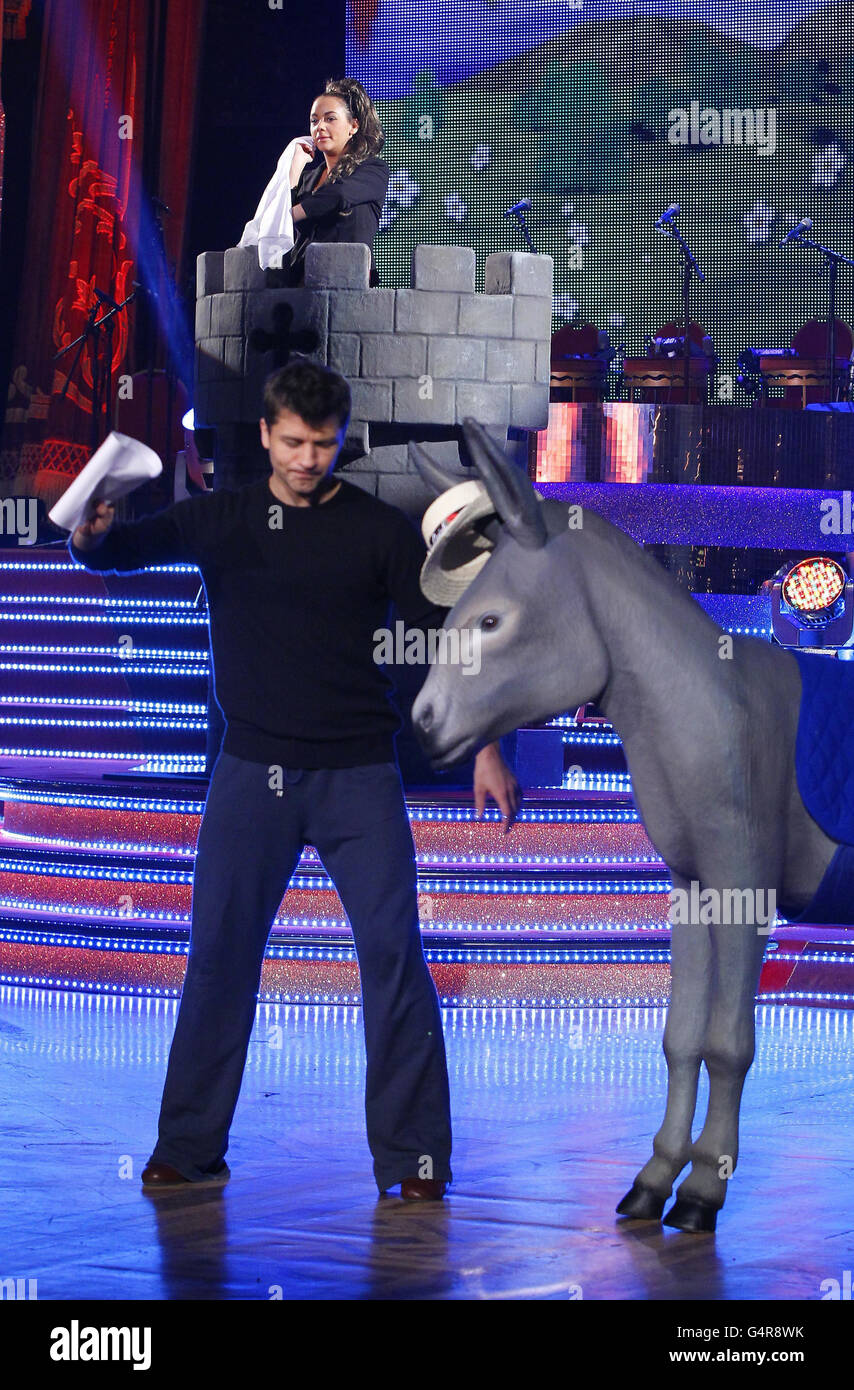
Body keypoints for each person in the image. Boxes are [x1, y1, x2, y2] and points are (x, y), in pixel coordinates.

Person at [68, 358, 521, 1200]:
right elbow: (122, 554)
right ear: (268, 434)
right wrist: (90, 537)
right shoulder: (226, 518)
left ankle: (413, 1159)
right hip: (250, 775)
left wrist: (489, 743)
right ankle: (188, 1145)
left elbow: (441, 644)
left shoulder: (379, 531)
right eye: (291, 442)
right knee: (220, 959)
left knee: (393, 957)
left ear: (339, 440)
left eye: (321, 444)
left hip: (358, 777)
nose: (306, 459)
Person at [282, 77, 390, 287]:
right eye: (314, 121)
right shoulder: (309, 178)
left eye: (330, 119)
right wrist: (294, 172)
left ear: (354, 126)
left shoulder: (372, 171)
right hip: (300, 288)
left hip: (348, 286)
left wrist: (292, 214)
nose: (319, 127)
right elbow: (280, 227)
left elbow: (338, 195)